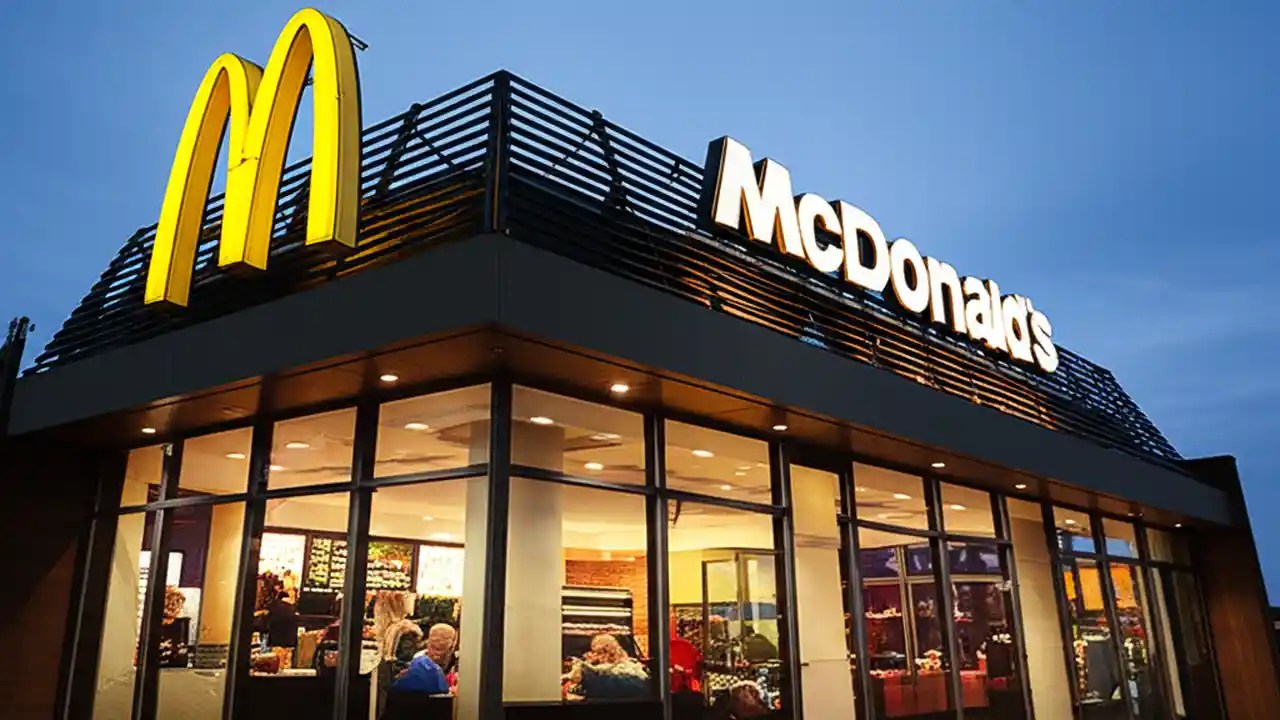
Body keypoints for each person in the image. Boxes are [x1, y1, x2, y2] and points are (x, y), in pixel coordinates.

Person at [565, 633, 650, 700]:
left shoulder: (630, 670)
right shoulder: (598, 671)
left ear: (607, 653)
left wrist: (585, 677)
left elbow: (637, 686)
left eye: (596, 652)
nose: (590, 656)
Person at [265, 591, 300, 668]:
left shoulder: (274, 605)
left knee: (277, 660)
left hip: (277, 639)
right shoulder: (293, 608)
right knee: (287, 660)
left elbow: (266, 619)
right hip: (290, 639)